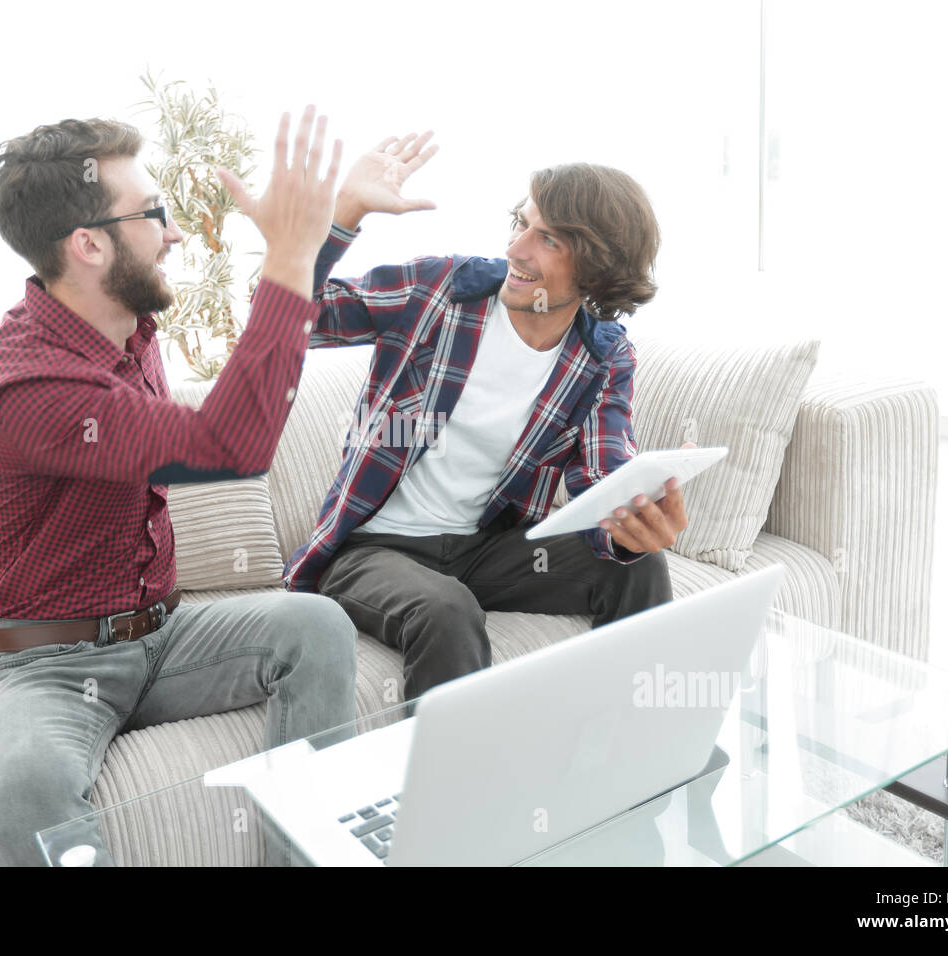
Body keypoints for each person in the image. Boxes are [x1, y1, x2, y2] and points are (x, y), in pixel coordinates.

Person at [0, 108, 356, 866]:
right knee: (20, 787)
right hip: (50, 665)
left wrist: (327, 233)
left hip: (164, 636)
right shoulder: (23, 384)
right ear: (89, 245)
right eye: (156, 214)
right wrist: (292, 254)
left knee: (316, 627)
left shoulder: (131, 329)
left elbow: (228, 414)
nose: (175, 232)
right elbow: (230, 444)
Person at [280, 133, 688, 701]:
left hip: (485, 550)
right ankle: (446, 789)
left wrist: (630, 529)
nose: (517, 249)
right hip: (375, 550)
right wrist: (346, 213)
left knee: (639, 567)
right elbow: (291, 318)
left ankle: (642, 753)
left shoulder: (602, 354)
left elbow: (602, 477)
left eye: (546, 238)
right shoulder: (441, 291)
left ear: (595, 268)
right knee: (447, 609)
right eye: (520, 224)